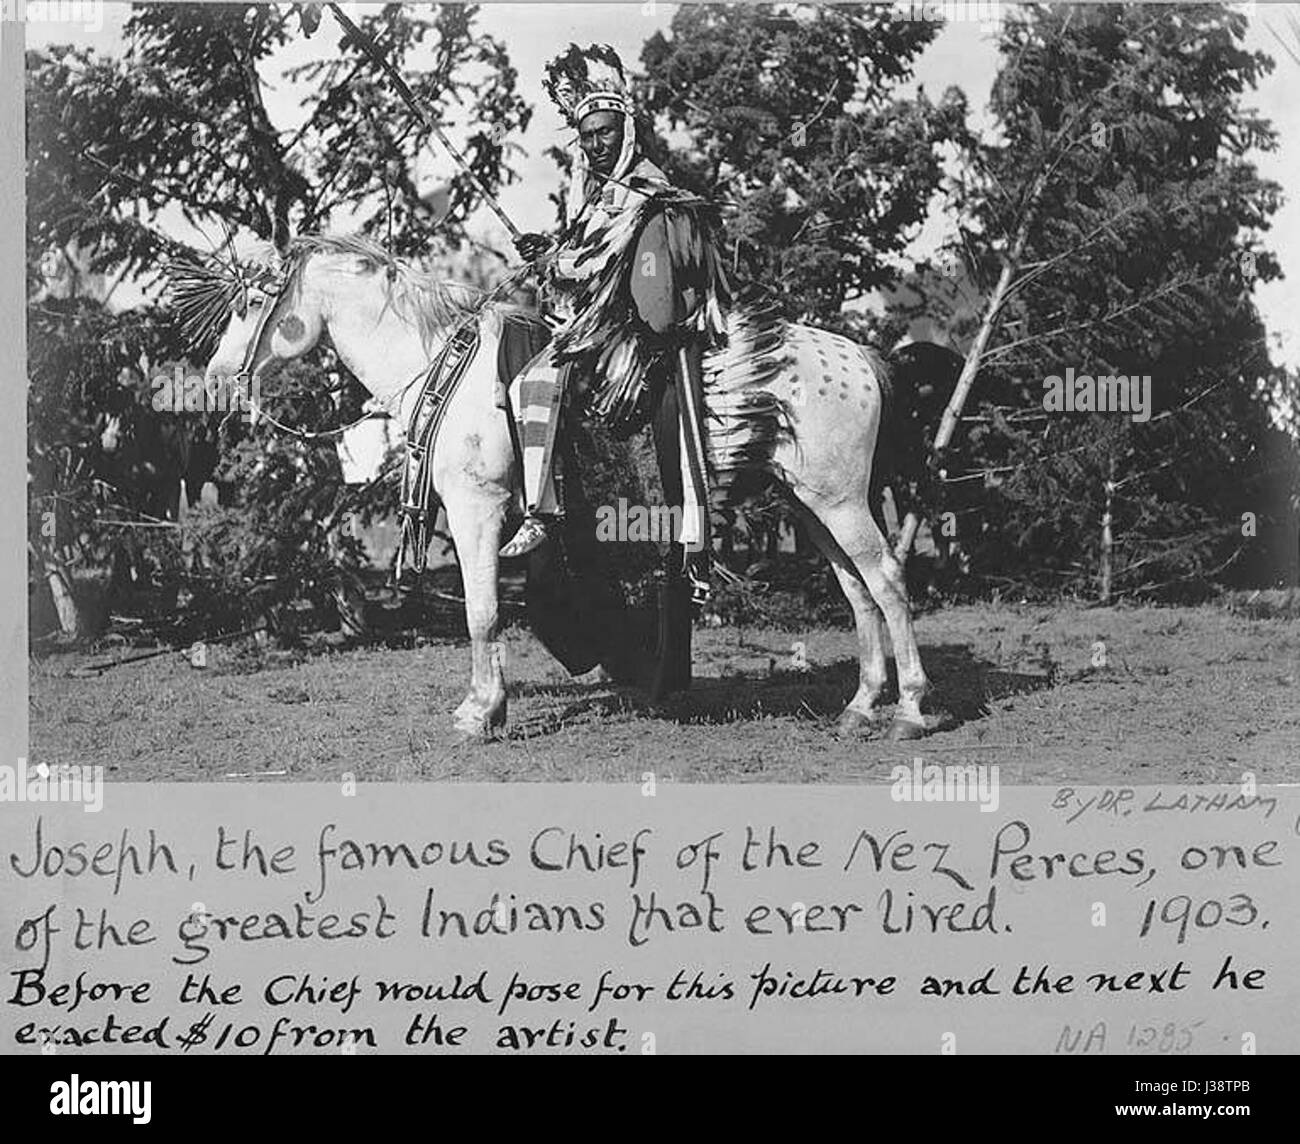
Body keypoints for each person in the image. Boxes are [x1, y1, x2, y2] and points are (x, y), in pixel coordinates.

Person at [498, 43, 728, 608]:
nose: (597, 145)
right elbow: (582, 247)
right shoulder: (602, 194)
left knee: (530, 384)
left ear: (625, 131)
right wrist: (549, 247)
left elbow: (597, 261)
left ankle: (541, 511)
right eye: (588, 136)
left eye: (606, 133)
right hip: (604, 321)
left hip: (633, 333)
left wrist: (553, 261)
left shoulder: (642, 185)